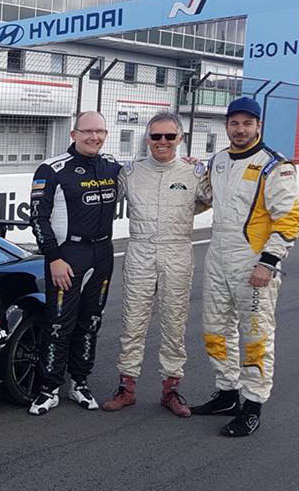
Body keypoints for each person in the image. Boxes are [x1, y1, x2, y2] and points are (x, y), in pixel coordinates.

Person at [191, 96, 299, 436]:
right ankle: (227, 394)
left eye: (247, 123)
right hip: (217, 259)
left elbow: (289, 220)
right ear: (227, 126)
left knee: (256, 336)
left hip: (254, 263)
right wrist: (187, 174)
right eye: (234, 123)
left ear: (258, 126)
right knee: (215, 331)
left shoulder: (275, 166)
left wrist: (268, 263)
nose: (240, 129)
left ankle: (252, 405)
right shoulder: (218, 161)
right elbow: (202, 200)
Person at [102, 111, 209, 417]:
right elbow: (102, 196)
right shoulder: (129, 172)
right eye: (156, 136)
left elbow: (210, 200)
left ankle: (171, 390)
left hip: (177, 251)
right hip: (140, 250)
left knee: (175, 323)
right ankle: (126, 388)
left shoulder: (195, 172)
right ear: (147, 139)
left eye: (169, 136)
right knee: (132, 322)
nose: (163, 141)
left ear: (180, 139)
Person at [28, 111, 122, 415]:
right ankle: (49, 388)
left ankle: (79, 383)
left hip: (103, 254)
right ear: (74, 134)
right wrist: (53, 257)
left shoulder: (112, 167)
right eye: (88, 131)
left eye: (100, 132)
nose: (94, 137)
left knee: (91, 322)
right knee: (58, 324)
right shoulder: (52, 169)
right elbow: (38, 217)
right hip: (68, 256)